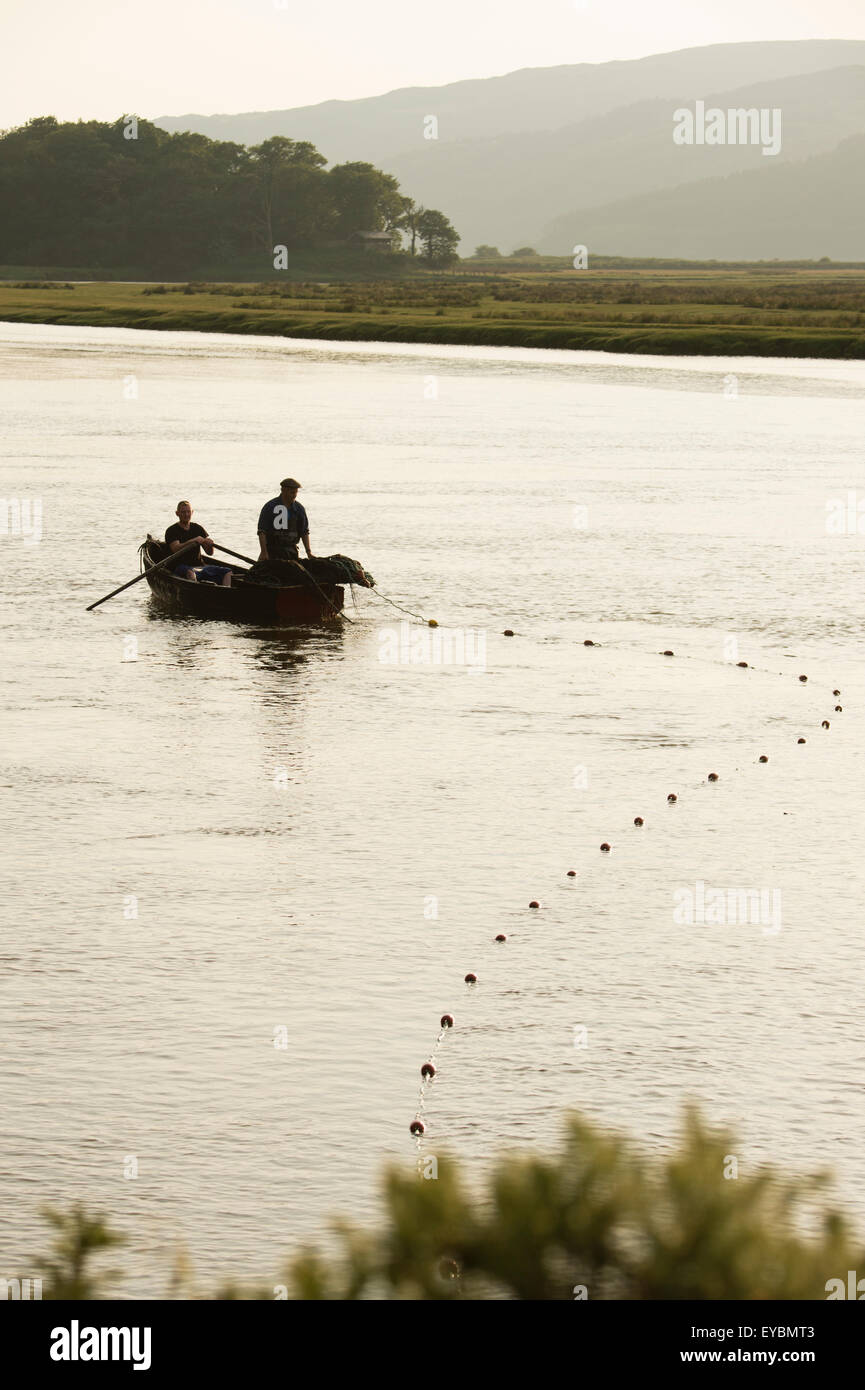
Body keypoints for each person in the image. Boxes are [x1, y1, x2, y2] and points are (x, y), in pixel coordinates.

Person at [164, 501, 232, 586]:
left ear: (192, 512)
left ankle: (225, 593)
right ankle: (195, 592)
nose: (186, 514)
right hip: (180, 566)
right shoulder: (172, 530)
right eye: (183, 512)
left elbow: (210, 553)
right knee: (190, 573)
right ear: (177, 513)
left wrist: (210, 545)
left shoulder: (197, 528)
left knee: (228, 572)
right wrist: (193, 541)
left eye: (188, 512)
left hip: (199, 566)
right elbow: (175, 548)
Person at [257, 478, 314, 564]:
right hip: (272, 551)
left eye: (296, 492)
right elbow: (262, 531)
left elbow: (304, 532)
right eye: (291, 492)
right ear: (283, 490)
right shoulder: (270, 506)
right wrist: (264, 552)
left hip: (291, 551)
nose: (294, 495)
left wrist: (309, 553)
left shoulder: (299, 509)